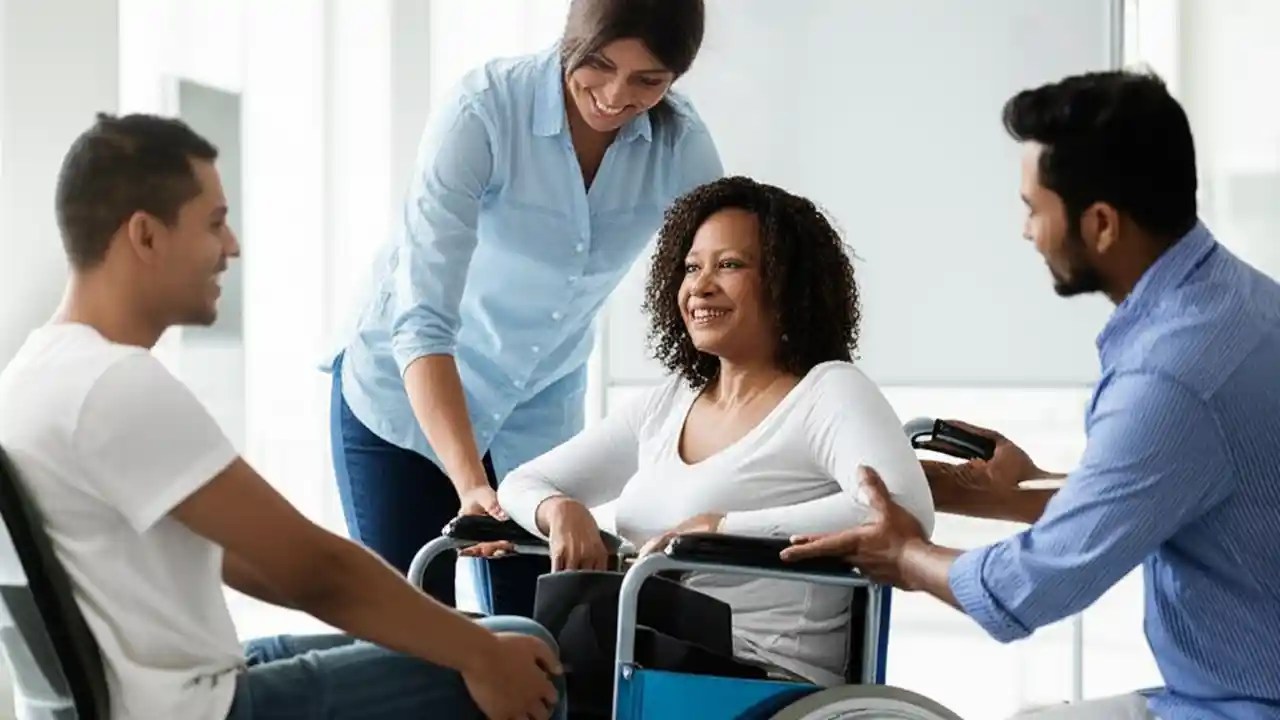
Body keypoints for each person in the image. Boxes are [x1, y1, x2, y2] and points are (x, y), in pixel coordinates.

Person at [0, 113, 565, 720]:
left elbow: (249, 561)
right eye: (213, 223)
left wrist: (467, 644)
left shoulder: (32, 377)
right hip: (195, 709)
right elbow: (316, 572)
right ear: (145, 236)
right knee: (525, 656)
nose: (232, 246)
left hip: (167, 689)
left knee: (495, 634)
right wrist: (480, 656)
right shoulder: (112, 384)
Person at [781, 70, 1280, 720]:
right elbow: (1175, 489)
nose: (1025, 232)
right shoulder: (1242, 301)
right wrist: (1021, 486)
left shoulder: (1172, 377)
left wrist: (903, 555)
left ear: (1100, 223)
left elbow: (1035, 588)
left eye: (1032, 208)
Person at [328, 0, 722, 619]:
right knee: (415, 633)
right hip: (408, 402)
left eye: (649, 80)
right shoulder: (483, 111)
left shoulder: (681, 144)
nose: (616, 97)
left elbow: (726, 275)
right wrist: (469, 486)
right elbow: (423, 322)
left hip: (535, 413)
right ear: (573, 37)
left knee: (543, 633)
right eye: (599, 65)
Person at [487, 176, 935, 686]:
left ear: (787, 283)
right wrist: (561, 511)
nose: (700, 286)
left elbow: (903, 513)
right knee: (493, 648)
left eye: (730, 265)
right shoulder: (669, 402)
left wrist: (716, 529)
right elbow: (522, 484)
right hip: (644, 646)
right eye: (692, 267)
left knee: (523, 659)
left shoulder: (828, 392)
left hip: (758, 672)